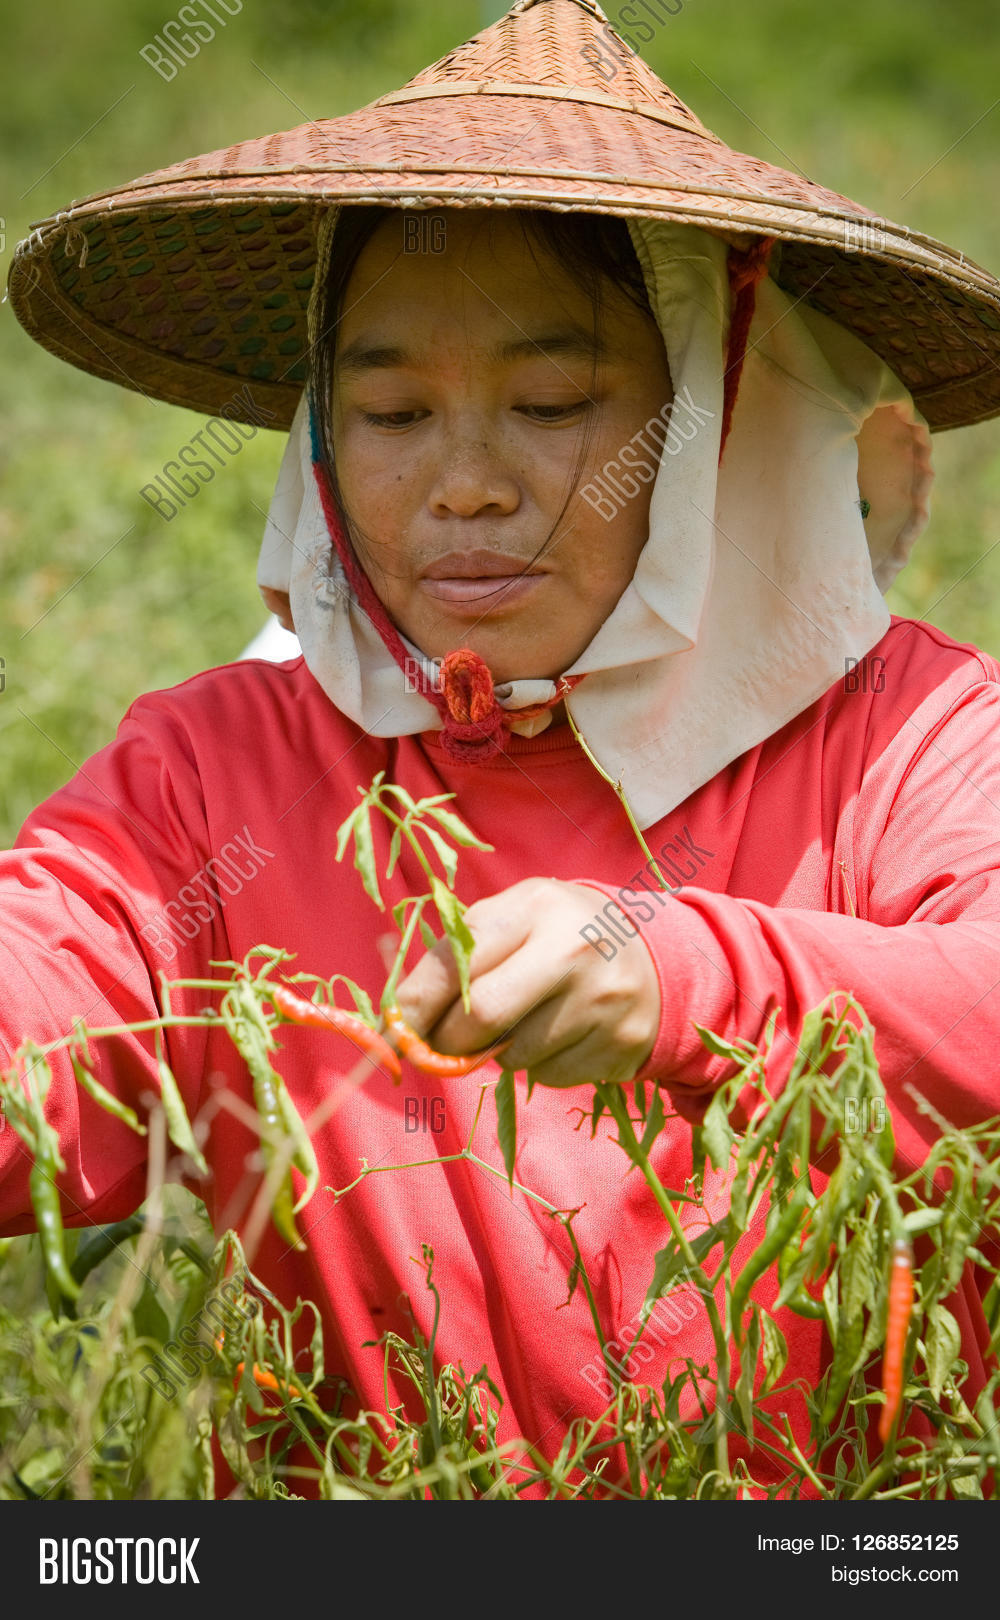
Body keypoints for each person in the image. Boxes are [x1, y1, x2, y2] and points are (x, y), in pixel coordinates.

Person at [3, 0, 1000, 1497]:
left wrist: (690, 977)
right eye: (392, 410)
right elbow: (45, 1012)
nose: (462, 486)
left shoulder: (911, 737)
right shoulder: (215, 778)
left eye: (553, 404)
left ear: (714, 413)